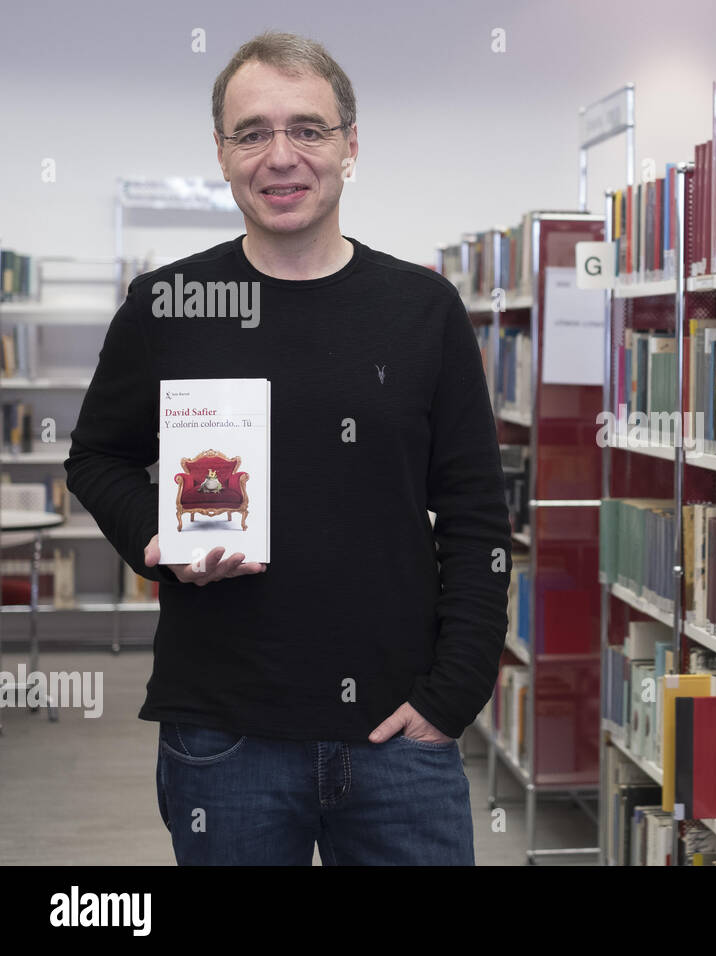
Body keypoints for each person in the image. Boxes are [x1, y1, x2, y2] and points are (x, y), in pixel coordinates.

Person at [63, 31, 509, 865]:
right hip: (224, 734)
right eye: (252, 132)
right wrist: (157, 542)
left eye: (307, 129)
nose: (281, 156)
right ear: (223, 155)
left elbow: (478, 517)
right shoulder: (169, 303)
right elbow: (96, 457)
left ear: (349, 145)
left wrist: (454, 696)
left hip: (399, 735)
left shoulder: (424, 309)